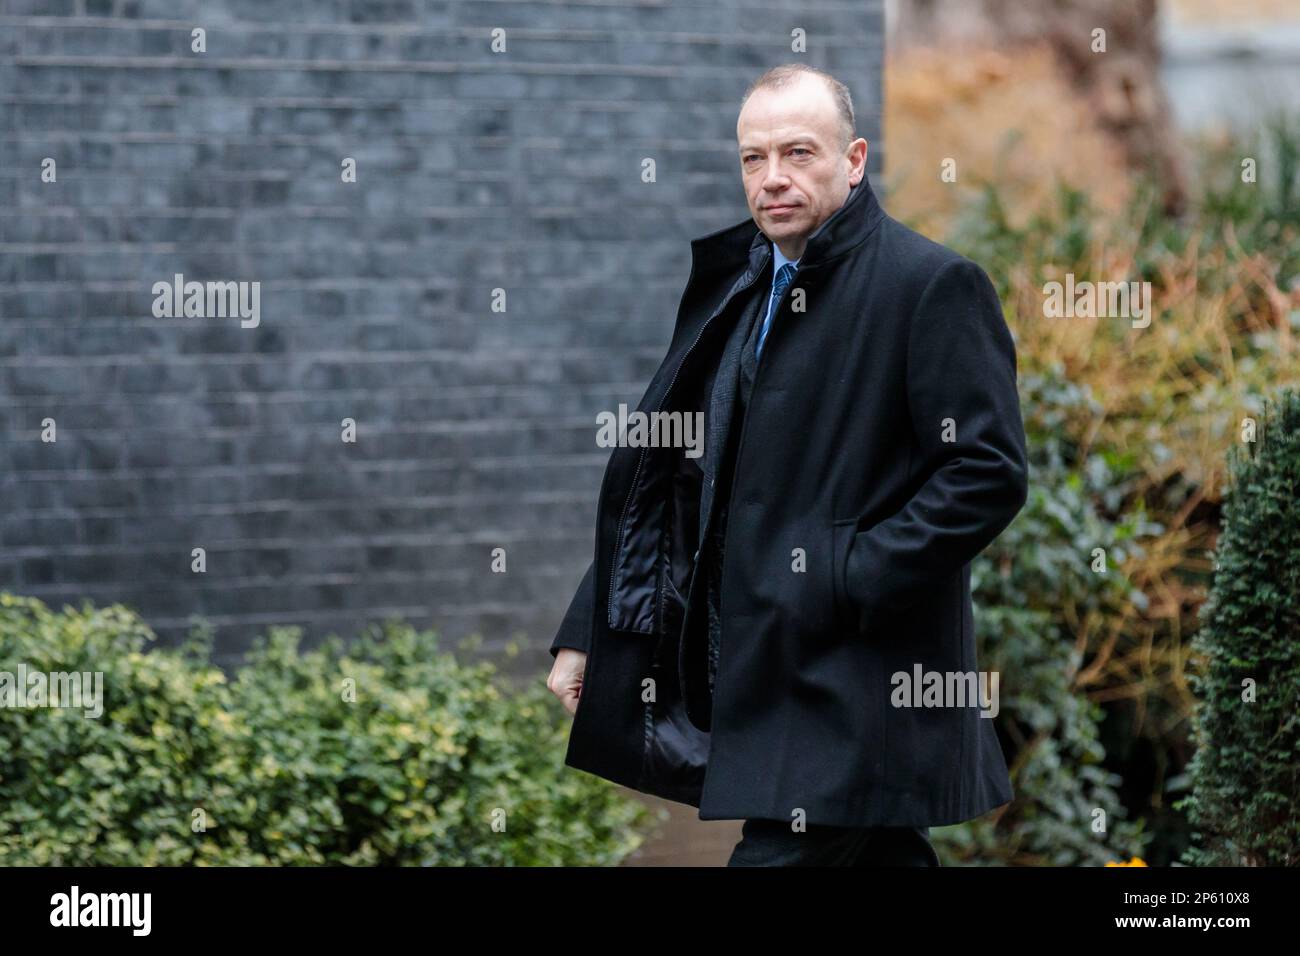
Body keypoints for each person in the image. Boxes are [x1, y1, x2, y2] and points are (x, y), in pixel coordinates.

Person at [546, 63, 1028, 866]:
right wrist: (592, 627)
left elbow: (986, 472)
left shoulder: (931, 287)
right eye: (753, 158)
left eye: (799, 153)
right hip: (773, 686)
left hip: (858, 693)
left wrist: (842, 574)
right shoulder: (740, 288)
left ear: (855, 159)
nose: (772, 178)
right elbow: (676, 482)